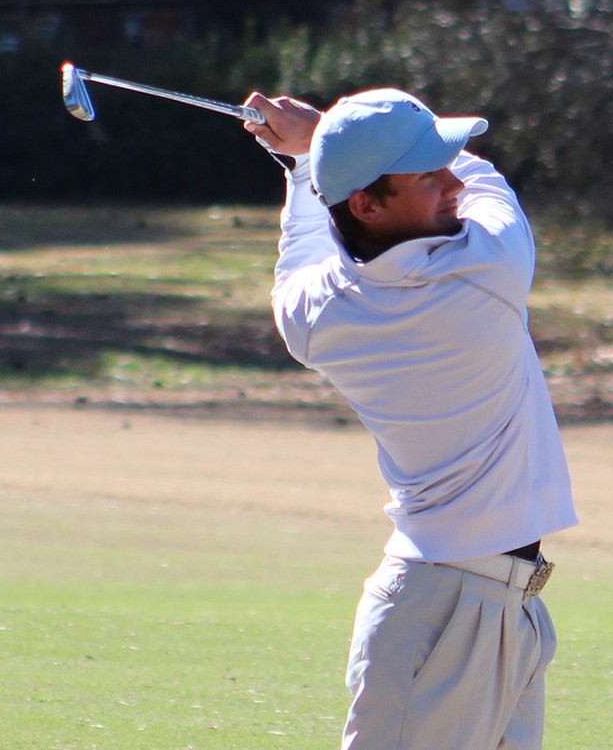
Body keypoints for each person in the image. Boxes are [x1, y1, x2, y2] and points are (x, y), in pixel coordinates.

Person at [241, 86, 579, 750]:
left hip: (482, 603)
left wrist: (316, 160)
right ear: (367, 203)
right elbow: (484, 178)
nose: (451, 181)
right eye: (427, 173)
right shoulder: (487, 268)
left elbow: (303, 257)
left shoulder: (319, 317)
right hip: (451, 607)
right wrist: (319, 142)